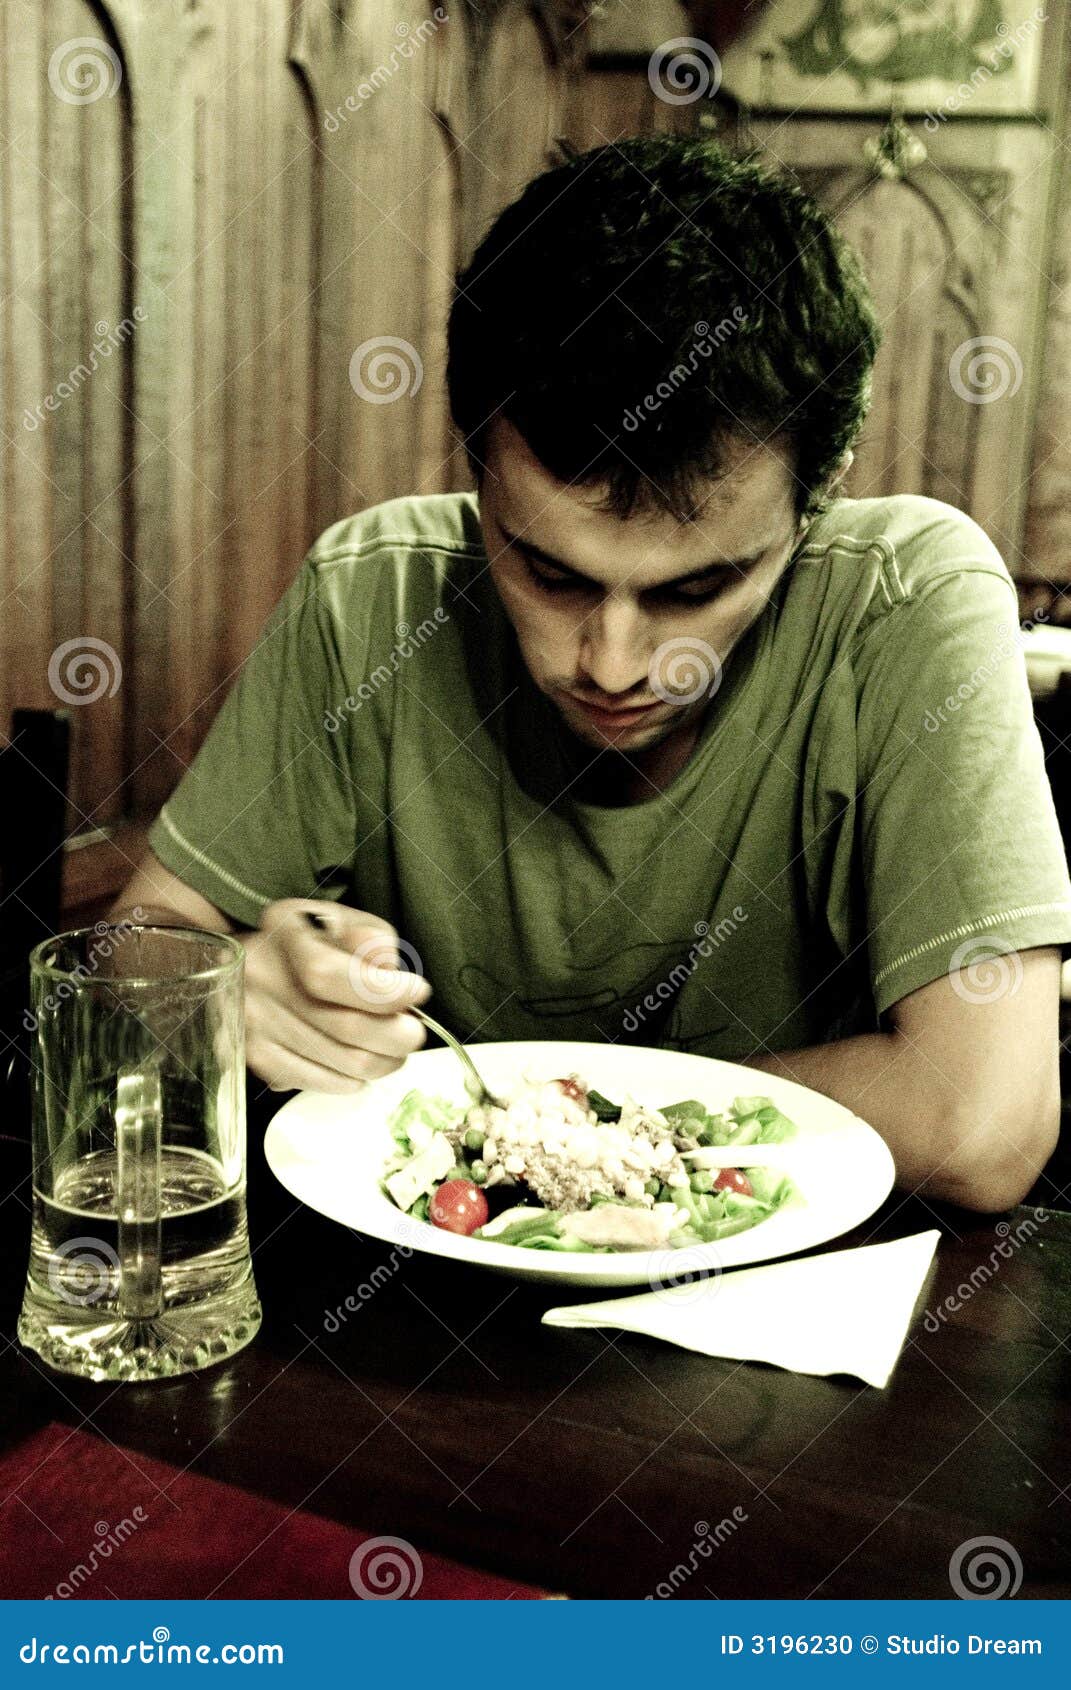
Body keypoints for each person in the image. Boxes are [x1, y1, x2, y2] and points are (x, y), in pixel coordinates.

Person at [111, 137, 1071, 1212]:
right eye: (549, 572)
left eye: (694, 589)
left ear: (816, 504)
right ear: (474, 476)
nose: (614, 665)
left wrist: (557, 1141)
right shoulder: (369, 598)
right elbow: (127, 956)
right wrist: (227, 988)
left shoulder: (908, 595)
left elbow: (985, 1126)